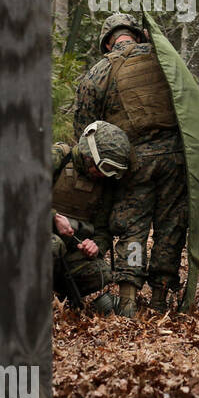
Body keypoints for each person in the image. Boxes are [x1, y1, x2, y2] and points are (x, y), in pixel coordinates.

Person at [73, 13, 190, 315]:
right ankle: (161, 299)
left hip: (132, 163)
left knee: (132, 229)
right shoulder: (166, 61)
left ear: (107, 42)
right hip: (175, 159)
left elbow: (85, 133)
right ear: (138, 36)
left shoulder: (99, 72)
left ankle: (127, 302)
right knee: (170, 227)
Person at [51, 121, 131, 314]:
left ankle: (61, 295)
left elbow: (102, 230)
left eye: (112, 170)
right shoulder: (58, 157)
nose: (105, 174)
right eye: (104, 166)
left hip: (67, 251)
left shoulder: (103, 185)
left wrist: (95, 247)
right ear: (89, 153)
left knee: (101, 274)